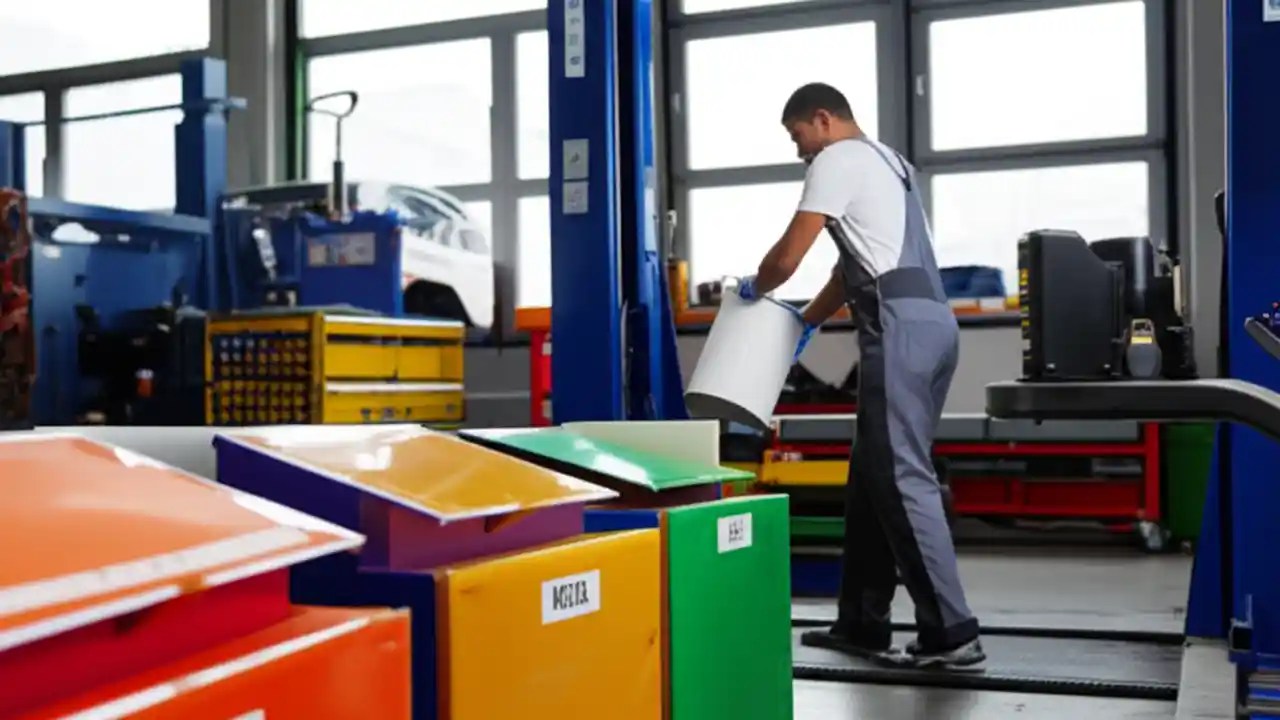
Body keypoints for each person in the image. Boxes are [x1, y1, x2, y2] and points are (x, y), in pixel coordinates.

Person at [736, 82, 984, 668]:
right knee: (874, 476)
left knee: (899, 475)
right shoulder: (889, 161)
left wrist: (757, 288)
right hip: (933, 325)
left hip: (899, 329)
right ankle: (862, 624)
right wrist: (806, 323)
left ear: (822, 121)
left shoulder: (836, 159)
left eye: (798, 138)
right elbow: (854, 268)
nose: (799, 152)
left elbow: (788, 257)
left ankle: (953, 633)